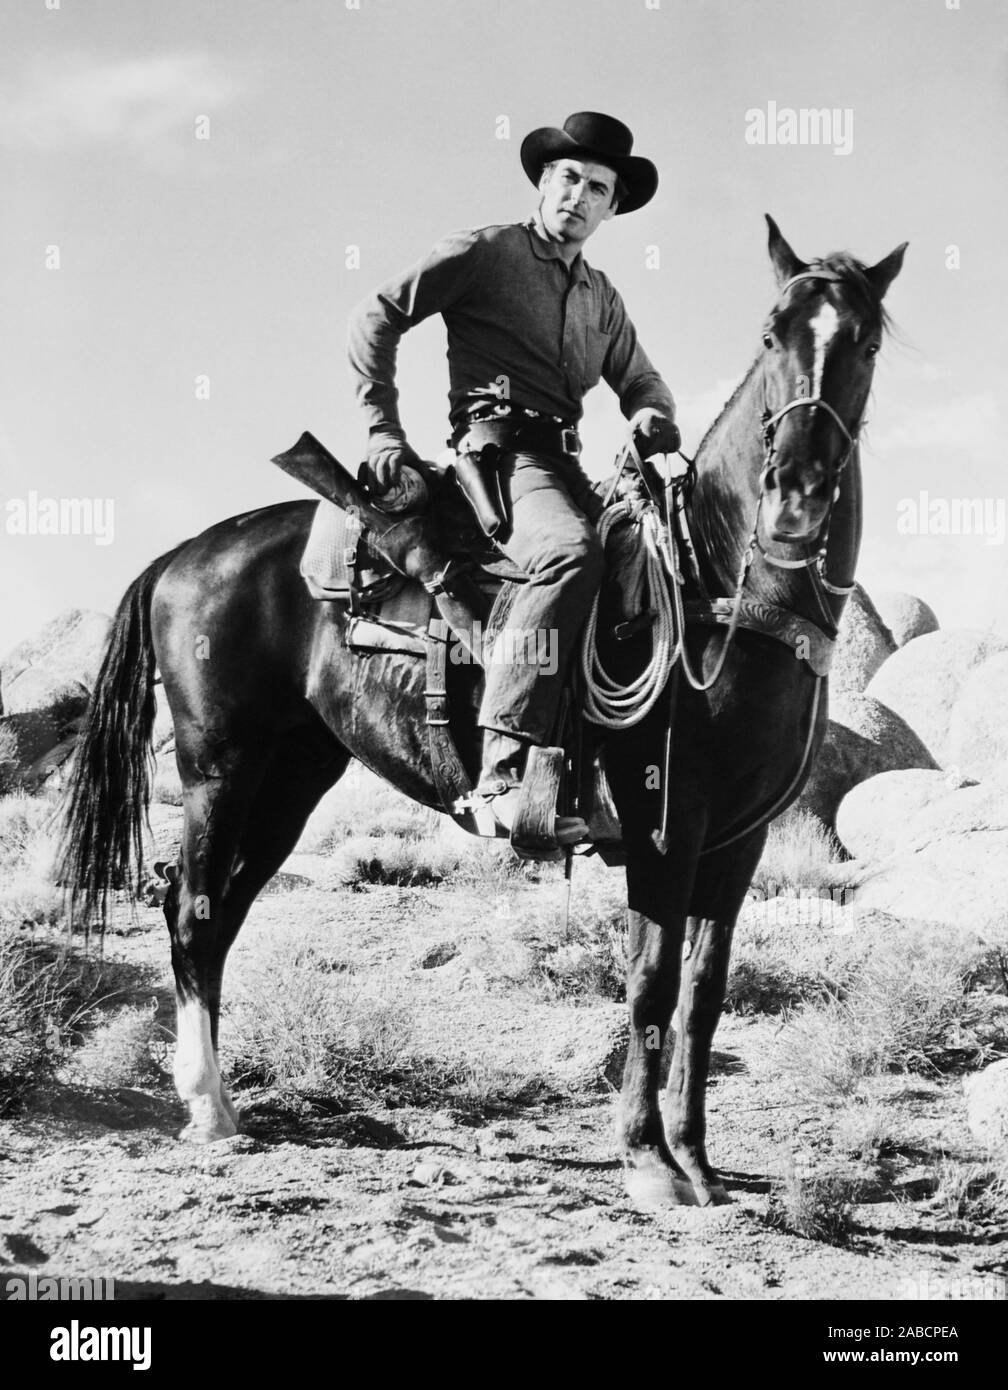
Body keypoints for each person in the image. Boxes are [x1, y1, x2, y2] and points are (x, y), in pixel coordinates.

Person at [347, 111, 678, 837]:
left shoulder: (602, 298)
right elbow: (378, 315)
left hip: (566, 463)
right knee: (567, 554)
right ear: (543, 183)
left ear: (612, 207)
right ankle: (503, 770)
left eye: (598, 188)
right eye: (568, 178)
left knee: (651, 571)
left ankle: (603, 779)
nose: (579, 196)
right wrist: (381, 430)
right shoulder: (488, 251)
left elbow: (643, 382)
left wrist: (653, 414)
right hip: (499, 459)